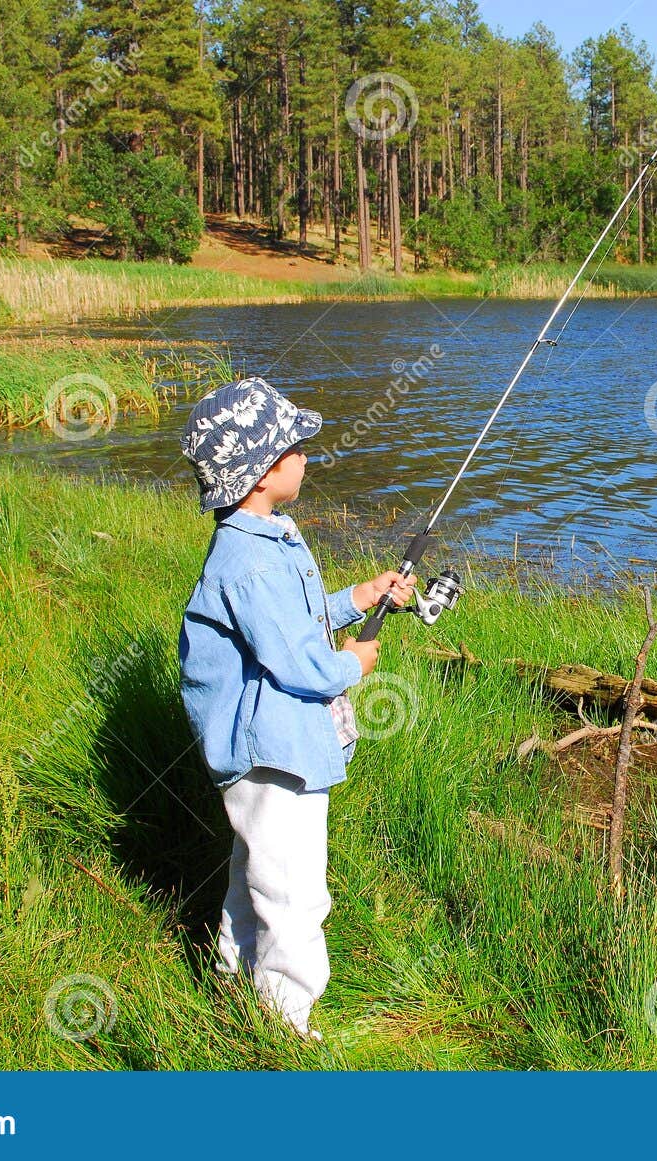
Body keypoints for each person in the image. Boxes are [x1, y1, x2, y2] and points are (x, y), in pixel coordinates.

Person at [177, 377, 414, 1040]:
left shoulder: (266, 536)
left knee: (258, 872)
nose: (307, 456)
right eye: (295, 447)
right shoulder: (247, 560)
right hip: (271, 756)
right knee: (295, 893)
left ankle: (234, 973)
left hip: (278, 749)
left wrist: (360, 597)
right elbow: (293, 661)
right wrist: (352, 665)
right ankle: (285, 1026)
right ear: (260, 472)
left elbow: (292, 621)